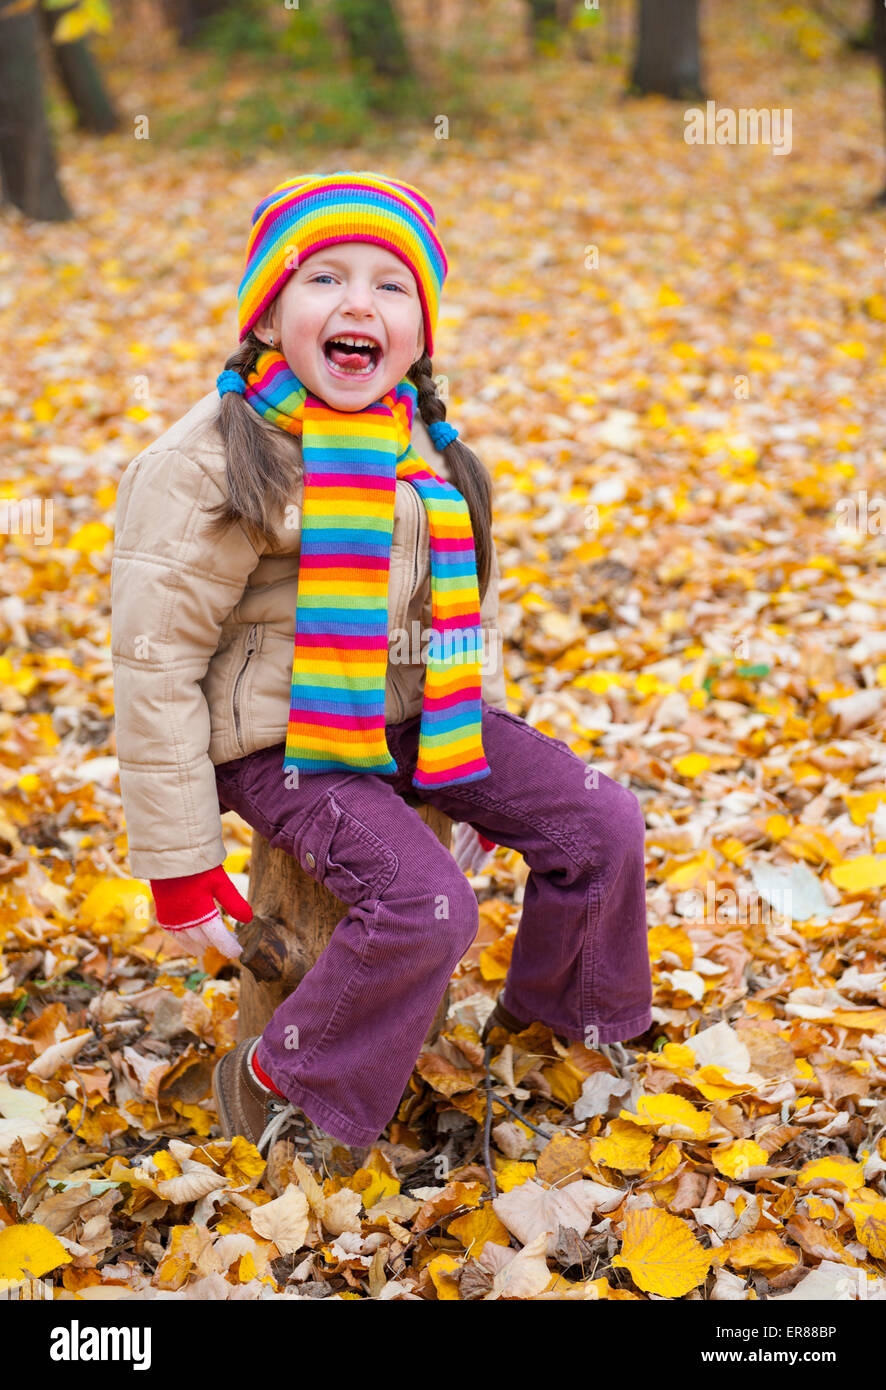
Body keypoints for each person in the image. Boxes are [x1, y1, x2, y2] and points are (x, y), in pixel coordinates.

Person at [110, 170, 652, 1176]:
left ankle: (550, 1024)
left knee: (601, 822)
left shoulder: (421, 441)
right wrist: (180, 866)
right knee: (427, 903)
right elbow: (153, 667)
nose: (359, 302)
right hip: (279, 736)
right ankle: (283, 1075)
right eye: (324, 278)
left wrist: (469, 762)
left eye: (389, 286)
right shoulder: (213, 460)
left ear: (418, 330)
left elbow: (451, 614)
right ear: (270, 314)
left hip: (410, 714)